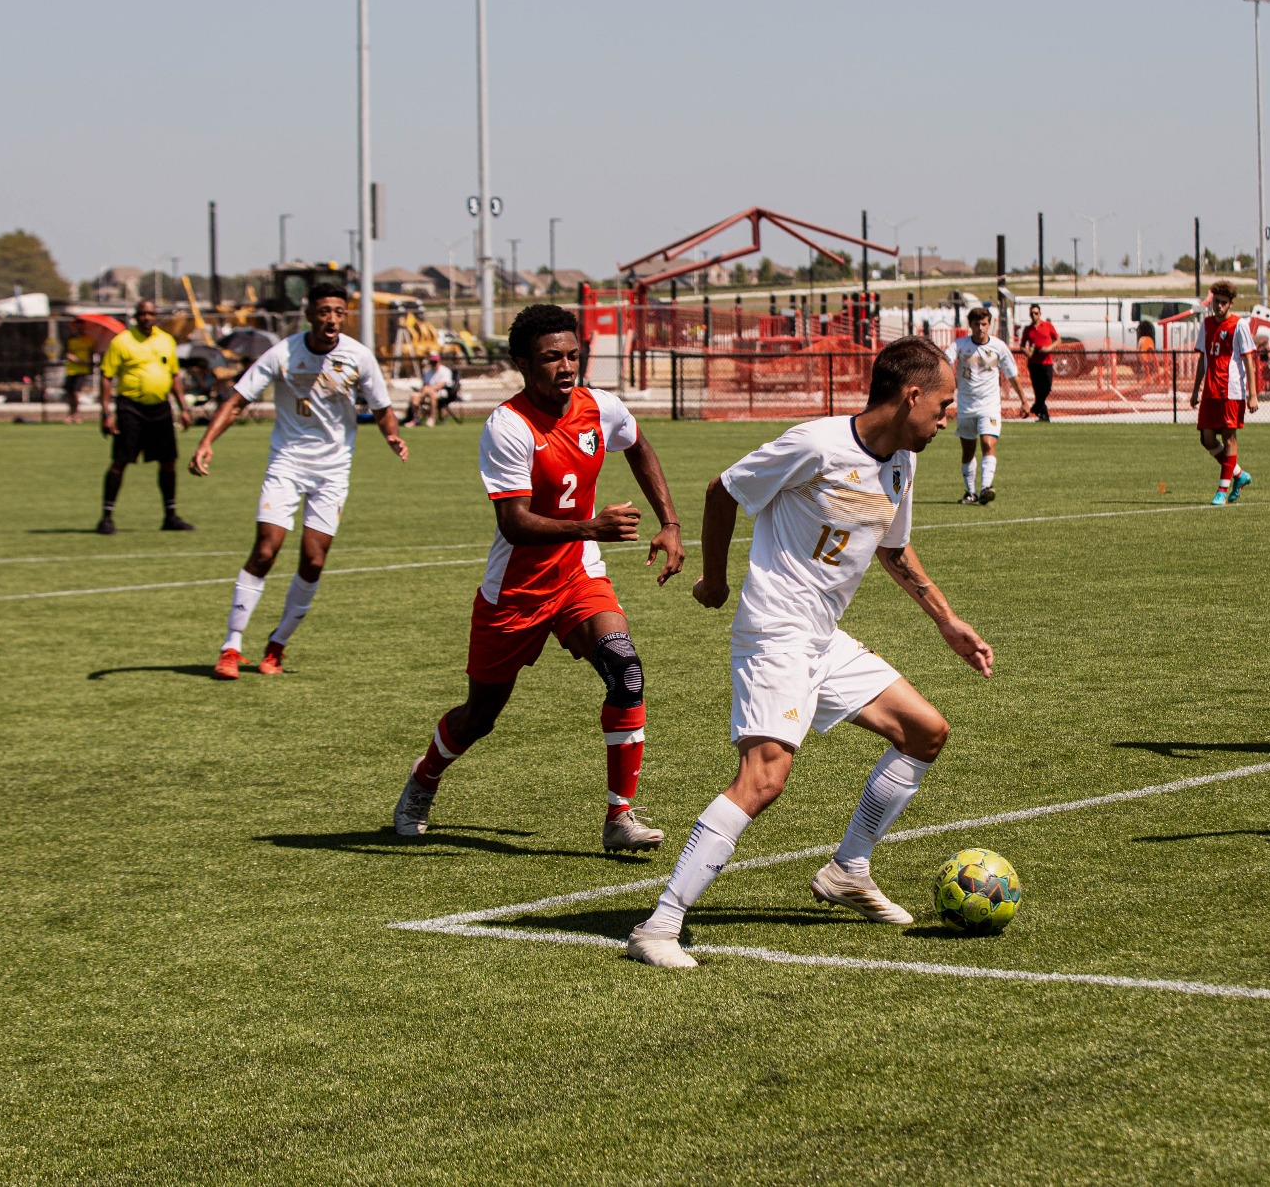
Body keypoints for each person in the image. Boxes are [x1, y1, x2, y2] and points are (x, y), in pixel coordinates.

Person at [625, 337, 996, 968]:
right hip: (776, 633)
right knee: (764, 778)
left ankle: (848, 869)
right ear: (910, 396)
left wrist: (949, 623)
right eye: (942, 404)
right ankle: (659, 926)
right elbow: (724, 490)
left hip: (823, 638)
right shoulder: (816, 445)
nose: (946, 418)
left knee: (924, 731)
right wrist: (714, 581)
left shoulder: (902, 464)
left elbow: (894, 550)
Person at [392, 304, 683, 853]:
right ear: (522, 362)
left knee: (626, 670)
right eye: (552, 358)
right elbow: (515, 524)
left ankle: (619, 817)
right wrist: (592, 526)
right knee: (480, 716)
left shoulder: (601, 408)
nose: (567, 367)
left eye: (574, 355)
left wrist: (668, 523)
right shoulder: (508, 426)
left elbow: (639, 444)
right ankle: (425, 778)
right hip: (516, 593)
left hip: (578, 577)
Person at [188, 284, 407, 679]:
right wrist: (206, 442)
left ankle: (277, 645)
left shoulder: (358, 356)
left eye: (339, 312)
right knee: (266, 550)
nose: (332, 319)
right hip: (286, 464)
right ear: (310, 314)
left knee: (313, 559)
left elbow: (382, 407)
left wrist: (391, 435)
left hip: (333, 470)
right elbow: (237, 400)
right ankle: (231, 646)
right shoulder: (284, 353)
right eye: (325, 311)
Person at [97, 299, 194, 535]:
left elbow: (174, 375)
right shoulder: (122, 341)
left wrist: (184, 407)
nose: (147, 318)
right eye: (143, 314)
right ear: (136, 316)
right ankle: (106, 517)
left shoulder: (166, 340)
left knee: (168, 461)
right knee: (120, 461)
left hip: (160, 408)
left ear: (156, 316)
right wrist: (106, 412)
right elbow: (106, 376)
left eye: (151, 314)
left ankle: (170, 516)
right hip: (130, 408)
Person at [1189, 280, 1258, 505]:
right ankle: (1239, 474)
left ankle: (1222, 490)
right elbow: (1202, 359)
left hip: (1232, 390)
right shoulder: (1207, 324)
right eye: (1216, 302)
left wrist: (1252, 394)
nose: (1218, 306)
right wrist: (1195, 389)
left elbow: (1248, 359)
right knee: (1206, 438)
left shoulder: (1239, 325)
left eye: (1223, 303)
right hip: (1210, 390)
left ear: (1230, 304)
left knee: (1229, 437)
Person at [951, 306, 1030, 504]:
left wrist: (1024, 400)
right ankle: (970, 492)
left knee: (988, 443)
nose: (980, 328)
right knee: (968, 450)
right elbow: (944, 362)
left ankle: (986, 487)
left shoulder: (999, 346)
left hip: (990, 405)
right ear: (970, 325)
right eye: (976, 324)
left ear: (990, 325)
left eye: (984, 324)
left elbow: (1012, 374)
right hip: (966, 405)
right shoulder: (959, 345)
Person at [1019, 303, 1058, 422]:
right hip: (1034, 362)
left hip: (1046, 361)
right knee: (1037, 389)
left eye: (1036, 313)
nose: (1034, 315)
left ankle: (1035, 407)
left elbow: (1057, 339)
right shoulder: (1028, 329)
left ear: (1040, 314)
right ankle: (1043, 415)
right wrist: (1027, 352)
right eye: (1032, 313)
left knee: (1047, 387)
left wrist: (1049, 348)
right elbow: (1022, 346)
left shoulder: (1047, 326)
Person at [404, 351, 455, 427]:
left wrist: (426, 391)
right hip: (426, 393)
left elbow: (440, 385)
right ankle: (416, 419)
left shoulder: (445, 371)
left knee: (431, 394)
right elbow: (425, 385)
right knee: (414, 395)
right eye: (432, 362)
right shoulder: (427, 372)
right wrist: (426, 391)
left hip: (441, 393)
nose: (434, 364)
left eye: (435, 362)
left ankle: (431, 418)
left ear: (439, 361)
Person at [63, 318, 97, 423]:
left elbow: (93, 353)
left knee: (76, 392)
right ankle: (71, 413)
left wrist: (88, 362)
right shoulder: (71, 339)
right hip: (71, 369)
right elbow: (67, 353)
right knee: (69, 393)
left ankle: (76, 415)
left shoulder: (88, 339)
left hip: (82, 370)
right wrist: (74, 359)